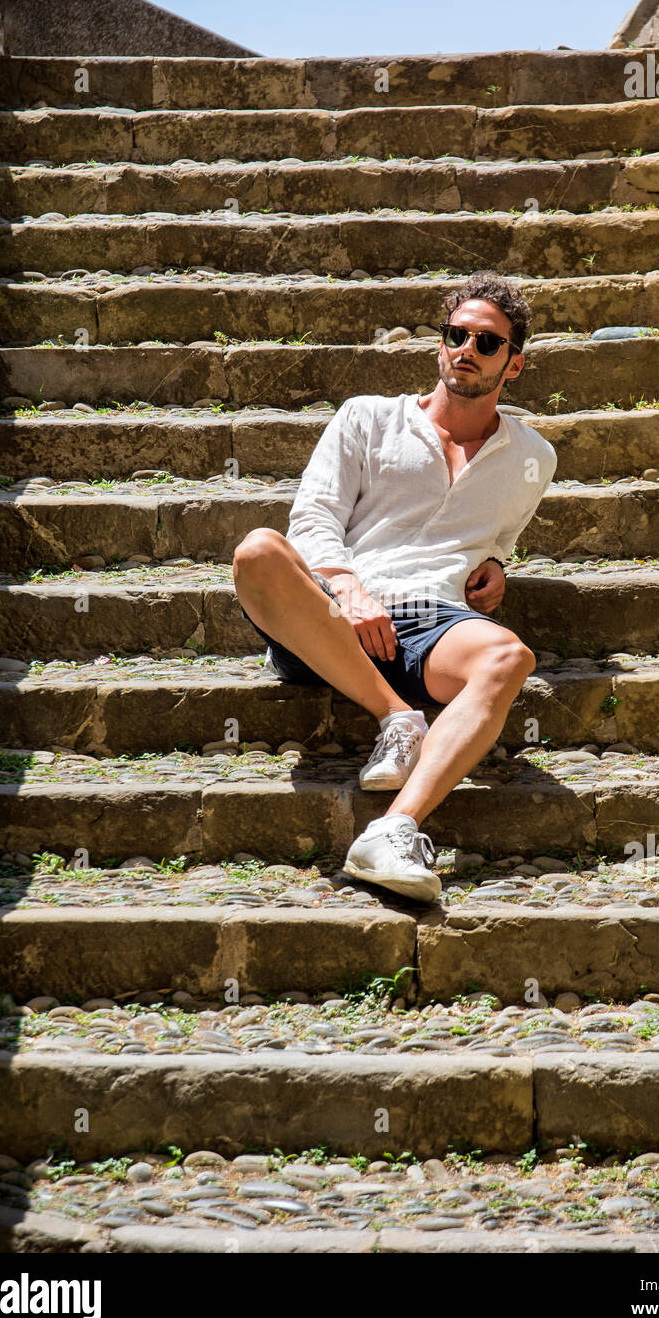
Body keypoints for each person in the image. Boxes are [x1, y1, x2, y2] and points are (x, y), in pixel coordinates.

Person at [232, 271, 556, 902]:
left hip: (433, 621)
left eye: (486, 343)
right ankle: (397, 716)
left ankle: (395, 829)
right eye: (454, 335)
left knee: (510, 656)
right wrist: (349, 587)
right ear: (440, 345)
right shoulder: (367, 418)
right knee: (258, 551)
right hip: (334, 616)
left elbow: (497, 538)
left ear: (514, 365)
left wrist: (496, 565)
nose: (465, 349)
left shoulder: (533, 457)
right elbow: (313, 519)